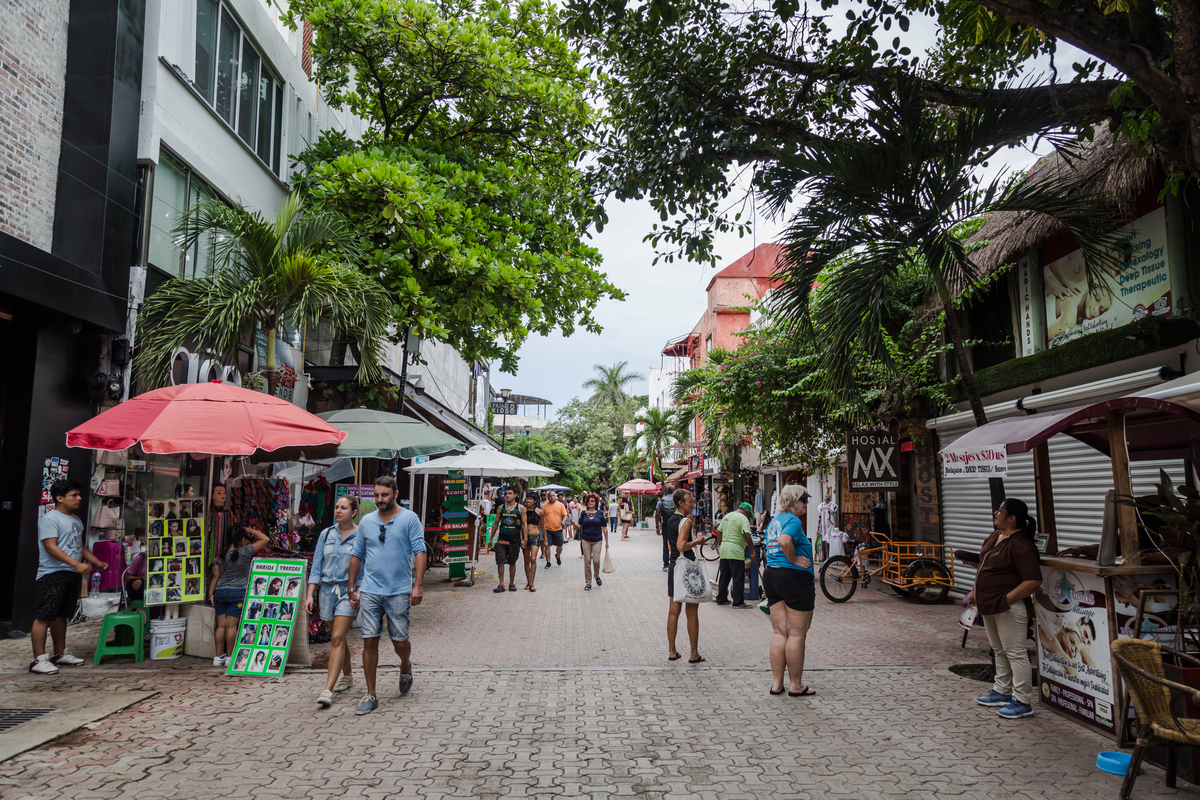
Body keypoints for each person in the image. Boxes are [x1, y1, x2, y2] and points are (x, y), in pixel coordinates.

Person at [348, 476, 427, 716]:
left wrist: (418, 585)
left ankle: (405, 664)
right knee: (369, 640)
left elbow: (420, 551)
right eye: (376, 495)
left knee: (399, 641)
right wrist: (352, 587)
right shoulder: (366, 521)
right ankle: (371, 694)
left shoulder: (409, 519)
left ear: (395, 493)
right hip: (371, 590)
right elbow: (357, 554)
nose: (380, 500)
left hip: (398, 590)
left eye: (384, 495)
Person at [966, 498, 1042, 720]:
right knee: (998, 650)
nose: (995, 513)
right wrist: (974, 592)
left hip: (1008, 608)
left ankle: (1022, 701)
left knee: (1015, 652)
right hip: (988, 605)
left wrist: (1007, 599)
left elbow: (1033, 580)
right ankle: (1001, 691)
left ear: (1012, 518)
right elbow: (982, 568)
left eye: (1000, 511)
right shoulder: (994, 537)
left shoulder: (1021, 545)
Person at [30, 480, 108, 674]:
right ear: (59, 498)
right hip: (52, 573)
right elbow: (50, 547)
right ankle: (38, 659)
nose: (79, 498)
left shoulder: (76, 519)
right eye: (74, 495)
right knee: (44, 615)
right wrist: (75, 563)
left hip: (71, 574)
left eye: (78, 495)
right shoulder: (50, 519)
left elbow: (80, 546)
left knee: (62, 614)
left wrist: (95, 562)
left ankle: (59, 653)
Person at [305, 495, 361, 708]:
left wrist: (358, 591)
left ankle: (327, 690)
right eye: (337, 507)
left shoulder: (360, 536)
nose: (338, 511)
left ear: (353, 512)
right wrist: (310, 594)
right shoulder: (326, 534)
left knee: (337, 638)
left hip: (348, 592)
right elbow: (316, 567)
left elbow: (364, 568)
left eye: (343, 508)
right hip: (326, 592)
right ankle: (347, 674)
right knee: (338, 637)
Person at [762, 485, 815, 697]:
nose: (806, 504)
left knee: (779, 632)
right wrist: (794, 559)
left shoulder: (774, 521)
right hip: (793, 577)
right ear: (792, 501)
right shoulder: (792, 520)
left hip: (772, 575)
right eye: (803, 499)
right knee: (796, 633)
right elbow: (785, 541)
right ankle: (796, 685)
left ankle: (777, 684)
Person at [208, 524, 269, 667]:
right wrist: (250, 530)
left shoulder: (220, 556)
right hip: (237, 592)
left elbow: (216, 576)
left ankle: (218, 657)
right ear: (242, 538)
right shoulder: (245, 552)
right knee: (231, 626)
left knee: (221, 626)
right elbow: (265, 539)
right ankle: (230, 657)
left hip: (220, 592)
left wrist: (211, 594)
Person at [665, 489, 710, 663]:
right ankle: (694, 653)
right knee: (691, 613)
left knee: (673, 612)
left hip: (674, 566)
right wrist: (698, 541)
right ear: (681, 503)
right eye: (690, 501)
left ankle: (672, 651)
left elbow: (671, 548)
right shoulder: (686, 522)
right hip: (688, 568)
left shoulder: (670, 520)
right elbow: (681, 545)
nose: (692, 504)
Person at [715, 502, 755, 608]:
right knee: (738, 577)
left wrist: (721, 543)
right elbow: (746, 534)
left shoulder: (727, 516)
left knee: (724, 576)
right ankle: (738, 602)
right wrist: (753, 551)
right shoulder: (743, 518)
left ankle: (721, 598)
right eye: (748, 514)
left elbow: (718, 531)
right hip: (736, 550)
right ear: (746, 512)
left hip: (724, 549)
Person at [490, 487, 524, 593]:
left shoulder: (521, 508)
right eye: (506, 493)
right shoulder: (500, 507)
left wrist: (524, 539)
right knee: (500, 561)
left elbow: (524, 524)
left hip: (515, 538)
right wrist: (491, 538)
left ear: (515, 495)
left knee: (512, 562)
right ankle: (501, 583)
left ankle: (511, 583)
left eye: (510, 493)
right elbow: (496, 523)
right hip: (502, 538)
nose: (507, 495)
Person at [577, 494, 609, 590]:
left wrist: (607, 542)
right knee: (587, 561)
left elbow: (605, 528)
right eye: (589, 501)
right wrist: (574, 524)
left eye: (592, 501)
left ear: (596, 503)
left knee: (596, 560)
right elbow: (579, 526)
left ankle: (596, 575)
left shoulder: (599, 513)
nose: (590, 502)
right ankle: (588, 582)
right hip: (585, 539)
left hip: (597, 540)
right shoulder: (583, 513)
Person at [521, 492, 545, 591]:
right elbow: (521, 526)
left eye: (531, 499)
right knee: (526, 560)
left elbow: (543, 526)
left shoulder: (540, 512)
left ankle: (532, 583)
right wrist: (522, 538)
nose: (528, 501)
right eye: (527, 498)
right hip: (525, 537)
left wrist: (546, 540)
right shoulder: (523, 511)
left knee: (533, 559)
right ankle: (528, 581)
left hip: (535, 536)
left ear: (535, 501)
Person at [540, 490, 568, 568]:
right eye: (550, 496)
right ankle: (548, 562)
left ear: (555, 496)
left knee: (560, 546)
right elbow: (541, 518)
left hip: (558, 529)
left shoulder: (560, 505)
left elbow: (565, 515)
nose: (552, 497)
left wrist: (563, 521)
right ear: (547, 497)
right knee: (547, 546)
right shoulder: (544, 506)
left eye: (553, 496)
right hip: (547, 529)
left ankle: (557, 556)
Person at [655, 485, 676, 573]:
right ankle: (674, 563)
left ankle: (666, 564)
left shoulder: (661, 500)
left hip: (665, 524)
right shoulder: (677, 500)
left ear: (667, 491)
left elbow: (657, 514)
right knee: (675, 543)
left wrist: (657, 527)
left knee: (665, 544)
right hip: (675, 524)